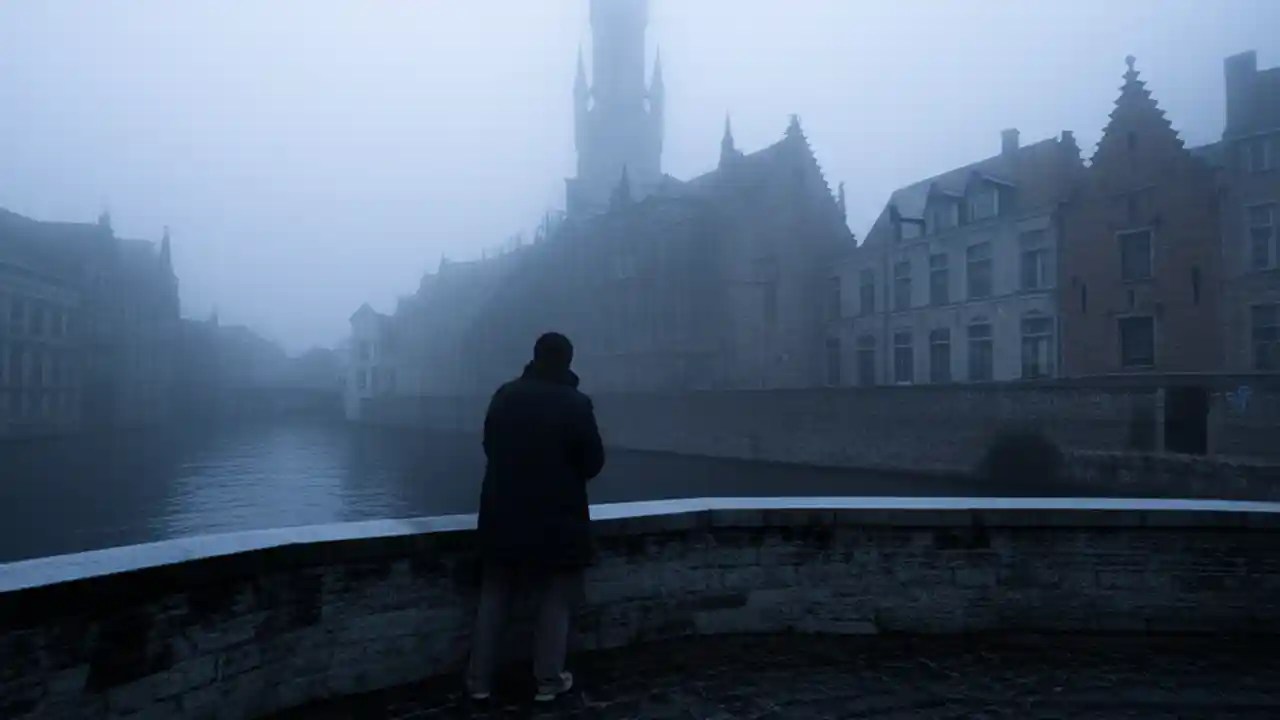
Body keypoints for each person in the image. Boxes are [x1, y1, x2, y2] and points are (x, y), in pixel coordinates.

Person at [466, 332, 606, 703]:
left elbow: (489, 446)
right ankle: (548, 681)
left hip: (502, 512)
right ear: (568, 362)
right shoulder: (576, 403)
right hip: (557, 517)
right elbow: (593, 462)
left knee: (494, 593)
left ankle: (478, 682)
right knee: (555, 597)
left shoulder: (505, 395)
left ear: (534, 357)